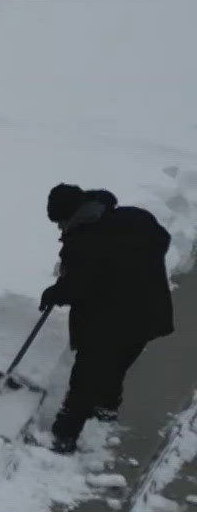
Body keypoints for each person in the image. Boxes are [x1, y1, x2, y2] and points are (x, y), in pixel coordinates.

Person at [39, 183, 173, 453]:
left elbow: (78, 285)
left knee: (86, 376)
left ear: (69, 215)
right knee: (116, 364)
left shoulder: (84, 241)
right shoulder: (135, 217)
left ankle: (64, 436)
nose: (59, 228)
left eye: (59, 222)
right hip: (148, 312)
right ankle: (106, 409)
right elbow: (162, 240)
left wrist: (54, 292)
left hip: (108, 321)